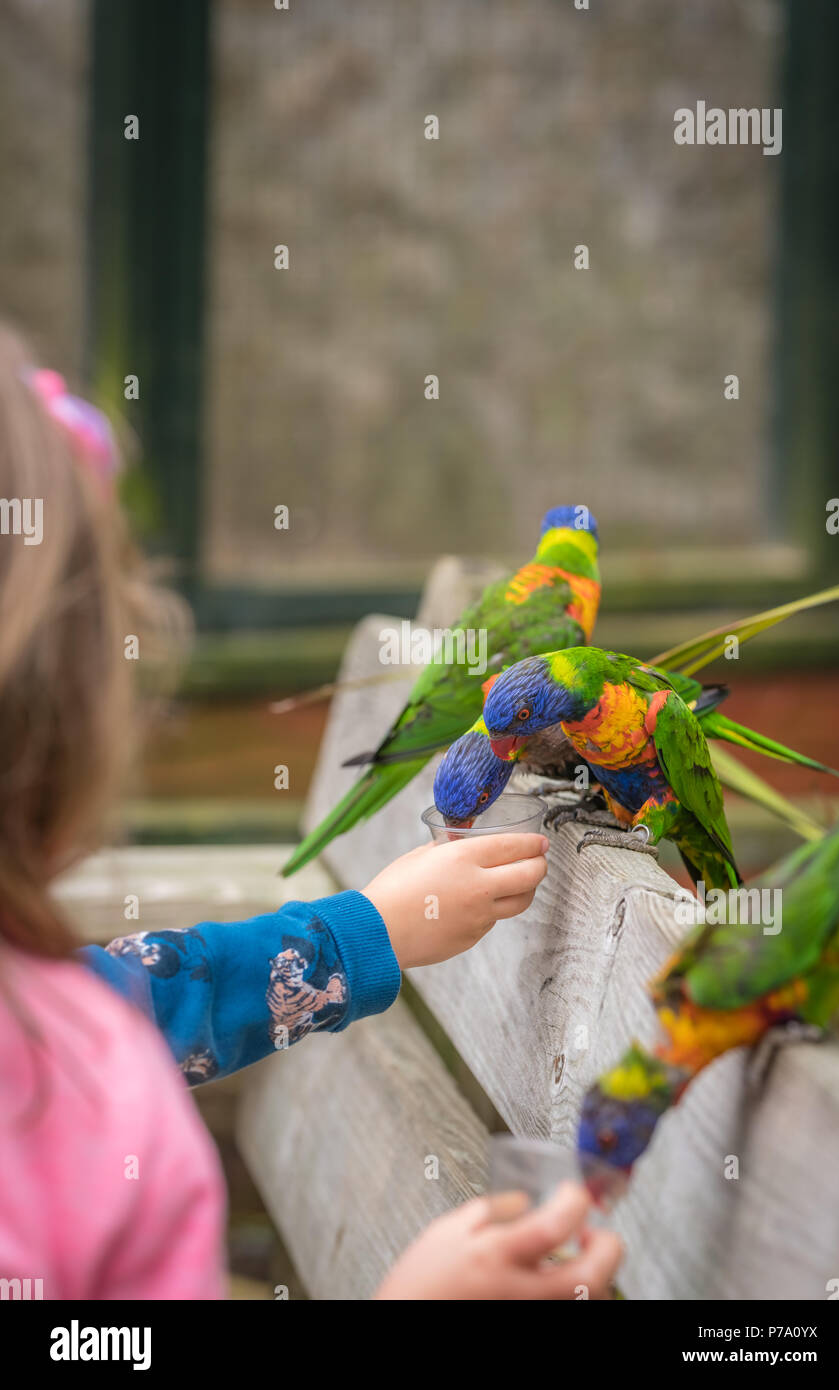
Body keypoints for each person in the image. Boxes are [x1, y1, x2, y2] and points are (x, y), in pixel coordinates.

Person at [0, 328, 622, 1299]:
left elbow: (164, 994)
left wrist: (364, 928)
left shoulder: (63, 1029)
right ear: (68, 735)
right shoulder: (88, 1096)